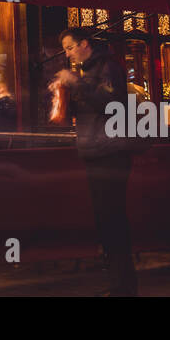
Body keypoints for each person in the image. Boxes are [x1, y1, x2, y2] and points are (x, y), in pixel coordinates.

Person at [55, 28, 138, 296]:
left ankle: (123, 286)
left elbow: (112, 103)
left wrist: (75, 84)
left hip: (110, 151)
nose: (67, 54)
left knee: (112, 217)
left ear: (84, 44)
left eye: (69, 48)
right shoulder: (90, 70)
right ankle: (118, 283)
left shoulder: (108, 66)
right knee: (105, 218)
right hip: (96, 149)